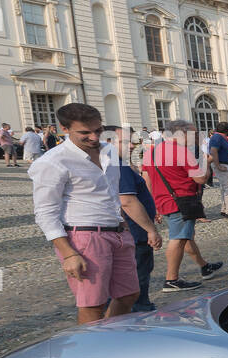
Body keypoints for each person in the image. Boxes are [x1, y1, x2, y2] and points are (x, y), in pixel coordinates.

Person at [29, 104, 160, 323]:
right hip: (84, 236)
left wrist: (124, 221)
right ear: (64, 128)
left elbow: (113, 193)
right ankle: (90, 349)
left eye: (98, 130)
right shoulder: (53, 161)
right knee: (93, 304)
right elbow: (45, 212)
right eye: (85, 132)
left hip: (118, 232)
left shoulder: (108, 152)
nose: (93, 136)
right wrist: (69, 253)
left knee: (129, 294)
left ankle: (108, 337)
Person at [142, 120, 223, 291]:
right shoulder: (181, 152)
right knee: (179, 238)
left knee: (186, 236)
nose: (195, 137)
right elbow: (201, 178)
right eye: (192, 133)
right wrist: (206, 163)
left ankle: (204, 267)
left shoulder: (152, 151)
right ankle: (172, 279)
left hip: (164, 200)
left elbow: (146, 178)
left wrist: (153, 203)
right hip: (182, 201)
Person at [106, 126, 159, 312]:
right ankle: (139, 310)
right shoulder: (118, 166)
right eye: (125, 142)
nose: (131, 146)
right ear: (108, 142)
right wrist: (150, 229)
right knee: (137, 276)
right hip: (135, 233)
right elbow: (127, 201)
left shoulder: (116, 163)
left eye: (132, 142)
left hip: (128, 231)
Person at [207, 121, 228, 218]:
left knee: (225, 188)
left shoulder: (218, 137)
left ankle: (225, 209)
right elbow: (213, 151)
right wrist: (218, 166)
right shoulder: (218, 137)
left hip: (224, 163)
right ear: (227, 130)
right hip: (223, 164)